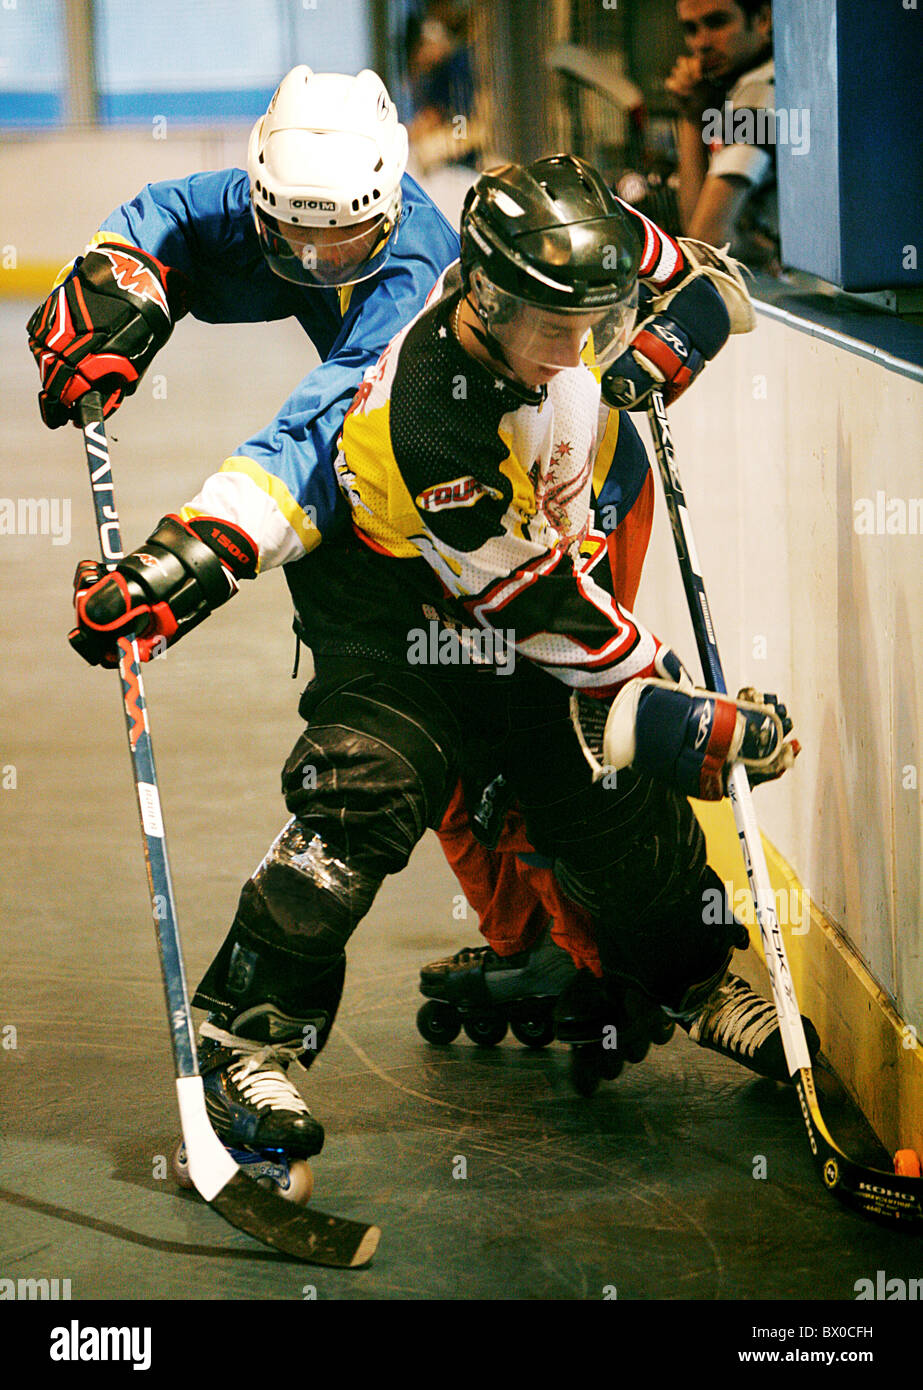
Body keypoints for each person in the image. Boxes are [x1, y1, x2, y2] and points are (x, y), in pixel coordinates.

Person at [63, 154, 814, 1184]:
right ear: (484, 292)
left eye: (597, 317)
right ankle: (248, 1038)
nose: (580, 346)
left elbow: (651, 253)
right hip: (399, 618)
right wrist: (683, 717)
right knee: (363, 788)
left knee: (603, 790)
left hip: (526, 579)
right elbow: (534, 609)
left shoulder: (550, 306)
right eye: (560, 325)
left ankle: (693, 979)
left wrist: (689, 291)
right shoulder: (429, 415)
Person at [666, 0, 779, 271]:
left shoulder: (760, 90)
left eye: (717, 22)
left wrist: (766, 252)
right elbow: (696, 230)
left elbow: (705, 242)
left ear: (763, 19)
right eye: (691, 29)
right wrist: (693, 114)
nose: (701, 43)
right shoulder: (746, 87)